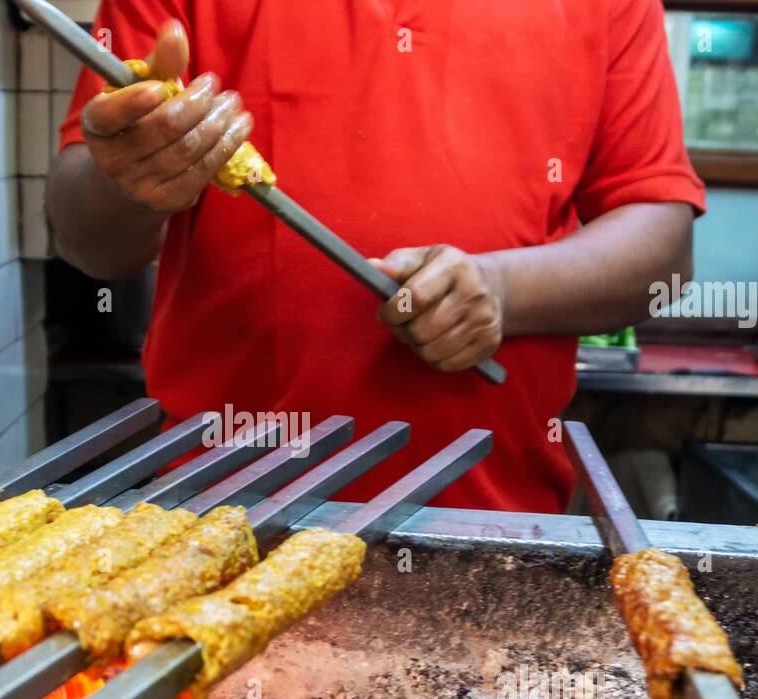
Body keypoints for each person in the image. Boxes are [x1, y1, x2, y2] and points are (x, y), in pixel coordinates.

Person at [46, 0, 705, 512]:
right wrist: (126, 179)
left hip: (489, 520)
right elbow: (87, 241)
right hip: (223, 508)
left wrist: (504, 290)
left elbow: (662, 249)